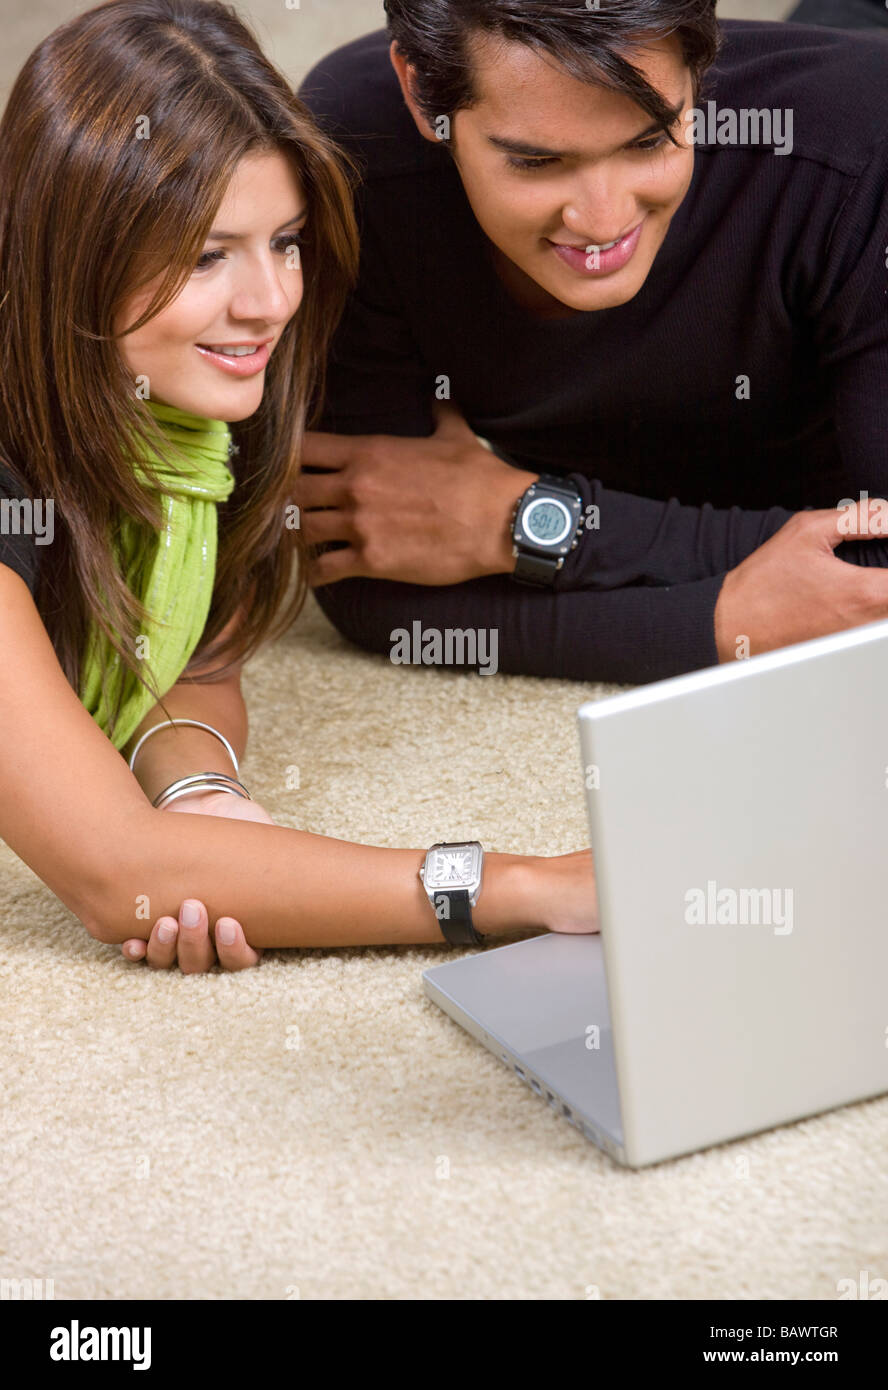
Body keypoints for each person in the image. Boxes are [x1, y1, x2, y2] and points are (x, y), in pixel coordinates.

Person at [0, 0, 596, 976]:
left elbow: (189, 656)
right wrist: (522, 887)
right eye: (205, 256)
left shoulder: (183, 414)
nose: (271, 300)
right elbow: (117, 875)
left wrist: (196, 792)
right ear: (75, 261)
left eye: (284, 240)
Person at [296, 1, 888, 685]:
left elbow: (871, 582)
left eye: (649, 140)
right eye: (537, 161)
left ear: (702, 67)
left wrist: (526, 523)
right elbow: (365, 572)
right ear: (420, 91)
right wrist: (727, 616)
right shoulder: (356, 143)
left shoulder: (860, 148)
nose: (603, 221)